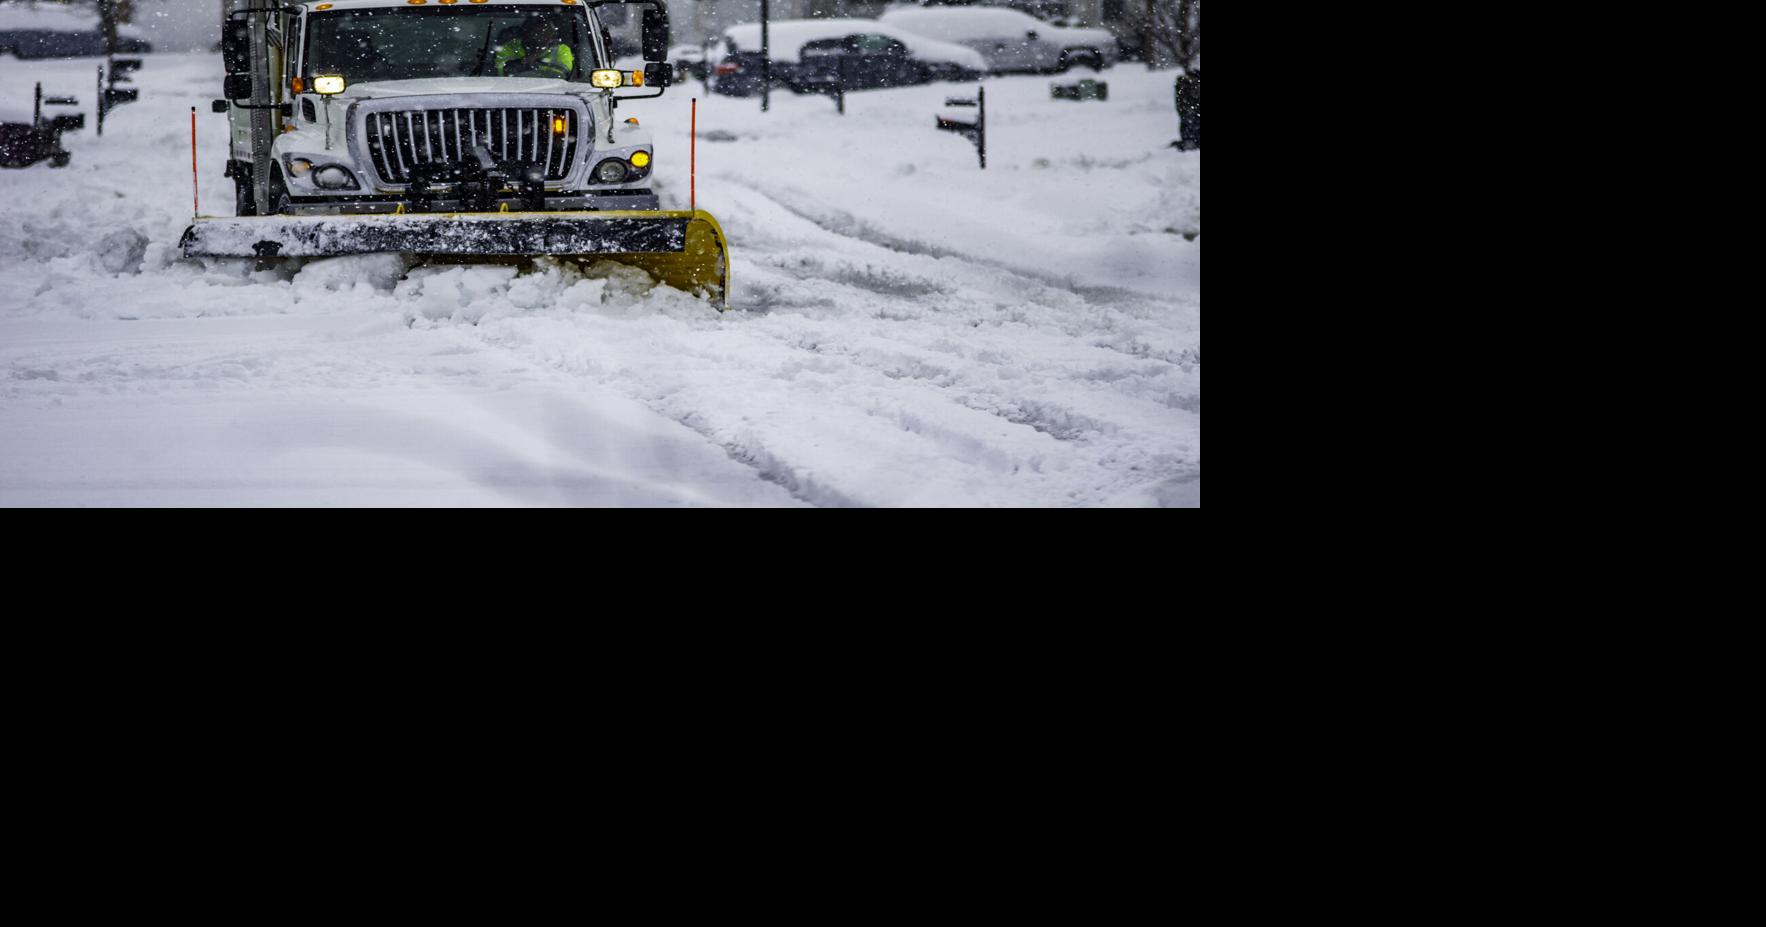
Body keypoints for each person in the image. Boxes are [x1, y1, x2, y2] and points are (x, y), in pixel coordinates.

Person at [495, 18, 575, 79]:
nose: (540, 37)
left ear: (553, 36)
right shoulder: (510, 46)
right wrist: (527, 60)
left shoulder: (561, 49)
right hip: (511, 89)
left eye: (546, 33)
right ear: (526, 33)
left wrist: (534, 63)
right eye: (536, 32)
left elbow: (562, 75)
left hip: (553, 91)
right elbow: (501, 72)